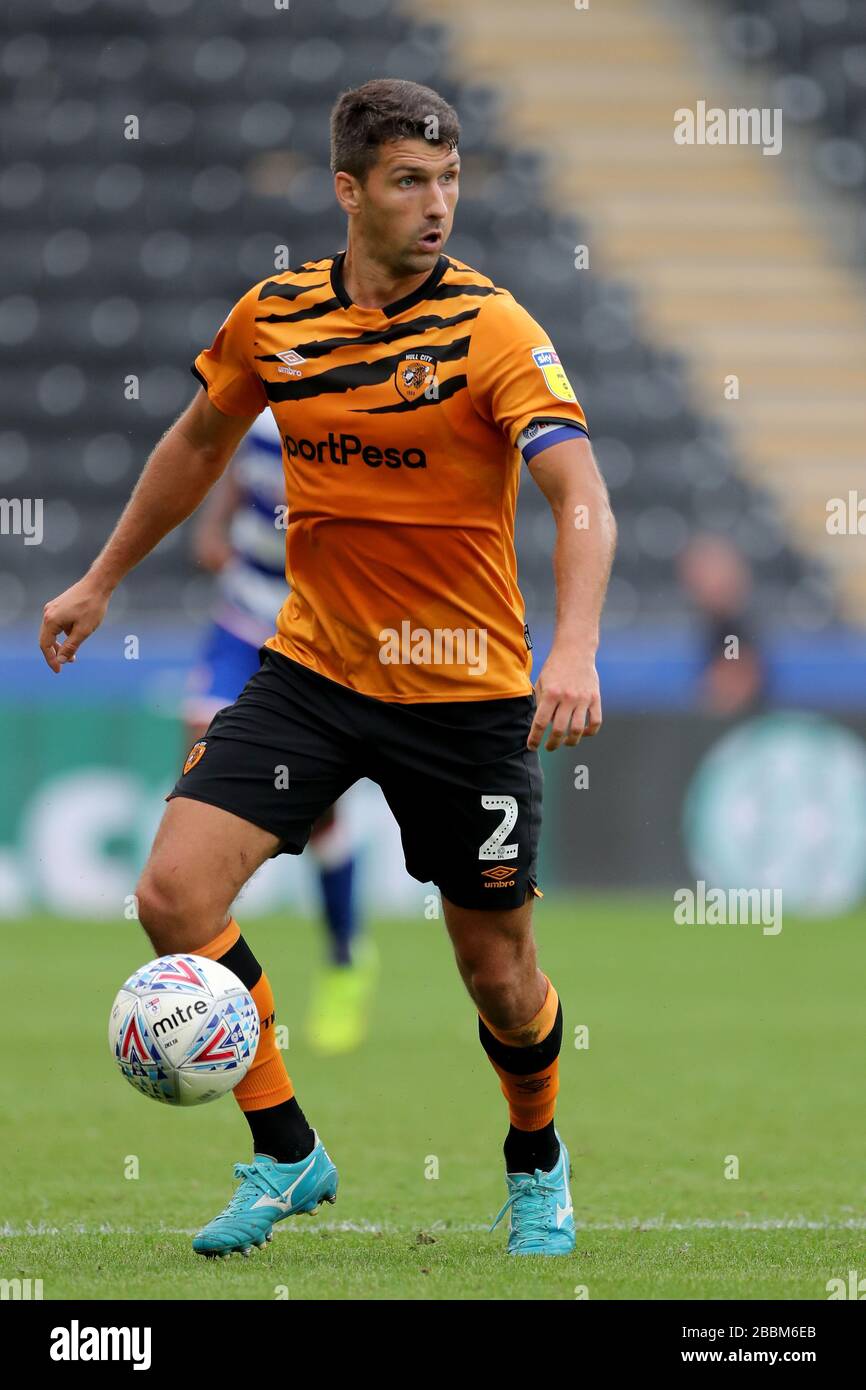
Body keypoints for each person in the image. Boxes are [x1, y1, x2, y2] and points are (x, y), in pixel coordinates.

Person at [39, 77, 616, 1258]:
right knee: (172, 896)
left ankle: (535, 1163)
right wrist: (100, 577)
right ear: (349, 191)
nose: (436, 203)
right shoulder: (277, 316)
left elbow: (580, 496)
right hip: (313, 671)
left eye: (449, 180)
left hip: (463, 687)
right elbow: (196, 442)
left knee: (498, 973)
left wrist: (572, 647)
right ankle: (288, 1152)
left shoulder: (492, 327)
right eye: (410, 180)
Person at [186, 408, 376, 1056]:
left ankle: (346, 957)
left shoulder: (359, 428)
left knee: (320, 811)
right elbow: (238, 472)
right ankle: (206, 967)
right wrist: (215, 526)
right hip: (244, 609)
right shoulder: (267, 410)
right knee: (201, 734)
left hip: (315, 629)